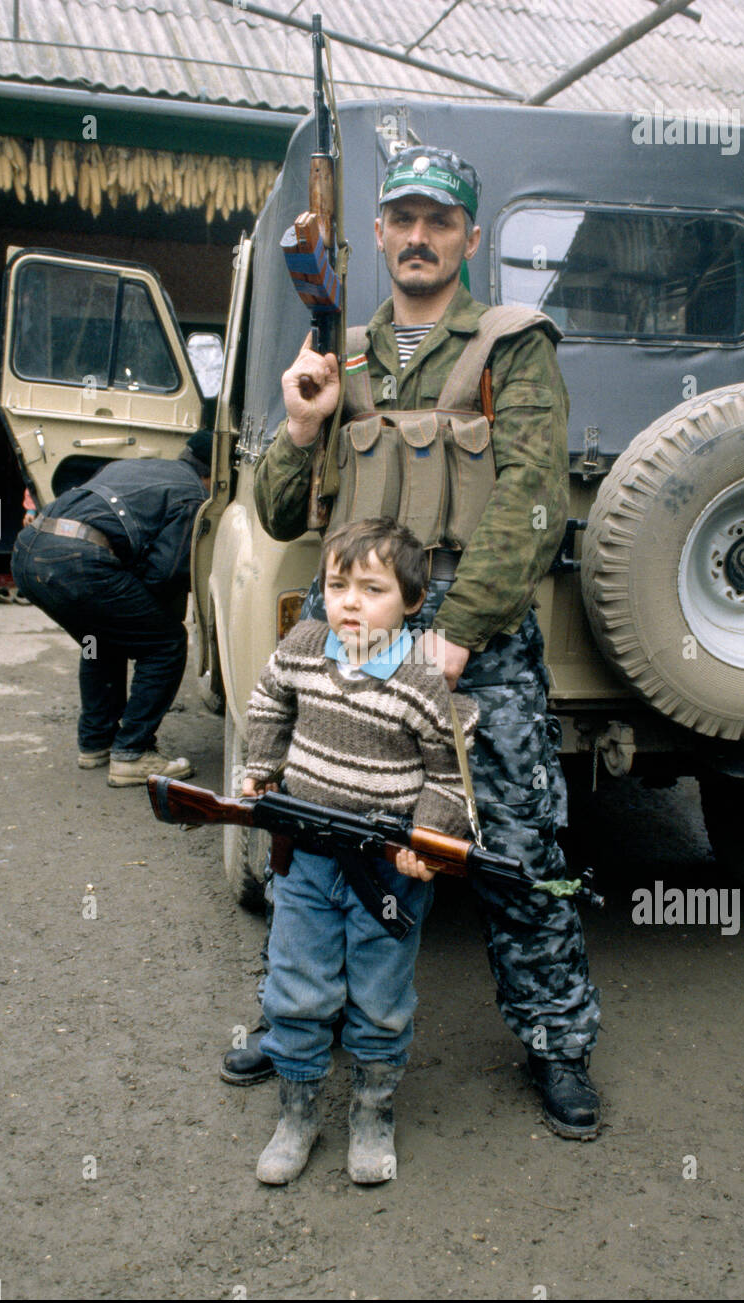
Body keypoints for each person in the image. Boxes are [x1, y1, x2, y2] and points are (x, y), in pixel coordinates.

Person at [222, 145, 603, 1140]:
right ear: (379, 234)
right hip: (351, 631)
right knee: (313, 830)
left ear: (470, 238)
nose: (421, 237)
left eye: (441, 221)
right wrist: (303, 426)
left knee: (519, 846)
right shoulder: (338, 355)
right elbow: (271, 509)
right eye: (404, 219)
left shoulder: (511, 346)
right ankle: (294, 1021)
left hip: (471, 639)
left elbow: (531, 507)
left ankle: (557, 1042)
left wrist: (457, 639)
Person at [244, 517, 478, 1184]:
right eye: (337, 584)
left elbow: (446, 774)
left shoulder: (422, 681)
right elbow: (268, 701)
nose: (349, 601)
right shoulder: (304, 645)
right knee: (295, 987)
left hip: (386, 875)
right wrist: (261, 768)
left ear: (410, 601)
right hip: (308, 859)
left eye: (371, 588)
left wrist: (428, 843)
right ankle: (296, 1114)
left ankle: (372, 1113)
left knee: (380, 998)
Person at [10, 432, 212, 787]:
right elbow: (164, 574)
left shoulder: (137, 466)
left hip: (29, 553)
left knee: (97, 640)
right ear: (214, 476)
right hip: (77, 564)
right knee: (165, 644)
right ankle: (132, 752)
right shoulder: (193, 494)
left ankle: (95, 742)